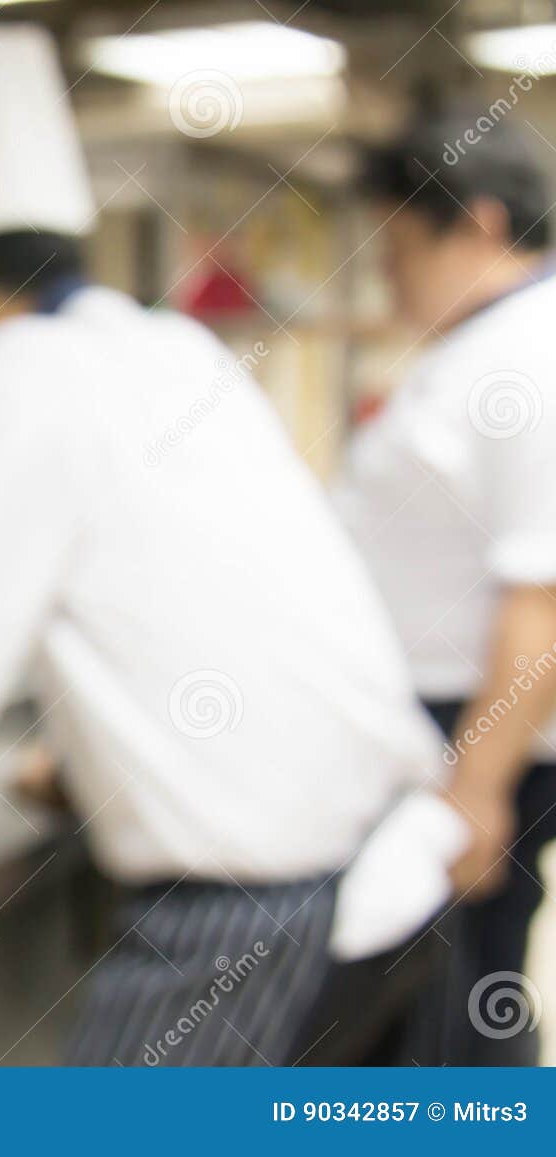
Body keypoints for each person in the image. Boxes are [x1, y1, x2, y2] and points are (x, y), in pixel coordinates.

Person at [0, 27, 477, 1065]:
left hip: (254, 908)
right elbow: (188, 588)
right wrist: (96, 758)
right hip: (395, 855)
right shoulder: (167, 346)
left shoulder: (23, 371)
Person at [335, 107, 556, 1065]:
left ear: (480, 222)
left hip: (469, 737)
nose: (388, 271)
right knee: (430, 1018)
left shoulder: (530, 356)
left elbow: (542, 592)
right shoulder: (485, 344)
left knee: (457, 1024)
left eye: (400, 243)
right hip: (433, 736)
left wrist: (477, 788)